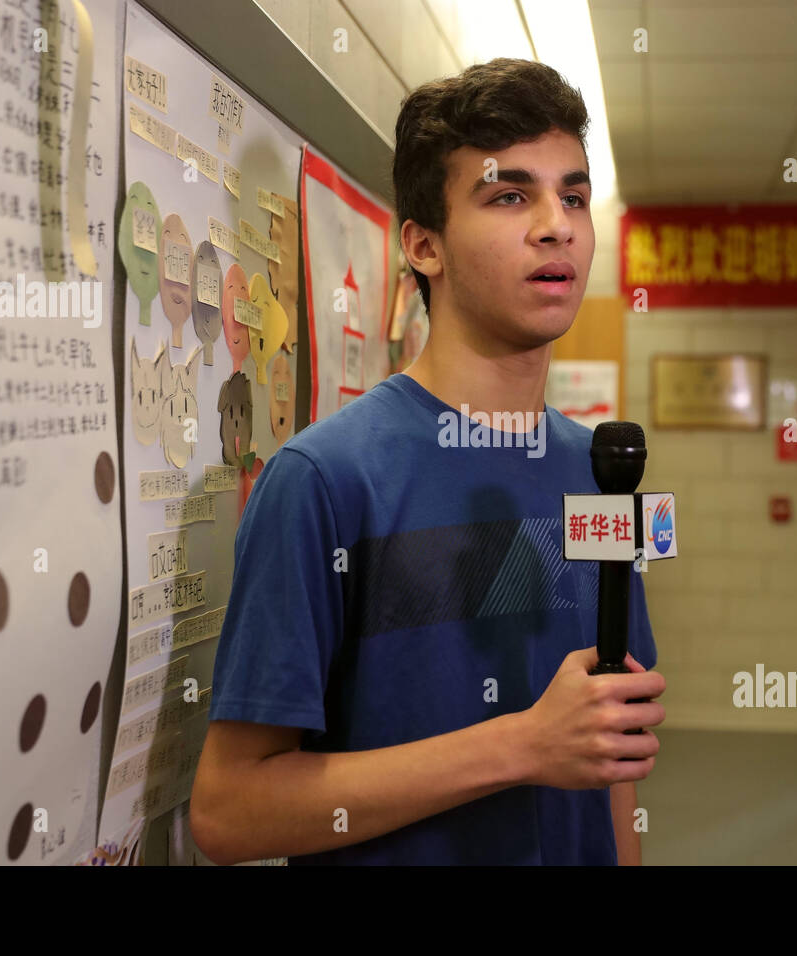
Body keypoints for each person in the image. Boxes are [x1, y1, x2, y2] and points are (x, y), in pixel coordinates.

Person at [190, 58, 665, 866]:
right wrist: (520, 746)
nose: (557, 224)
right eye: (510, 195)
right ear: (423, 245)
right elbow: (231, 811)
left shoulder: (603, 472)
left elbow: (608, 750)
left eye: (574, 196)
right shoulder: (325, 480)